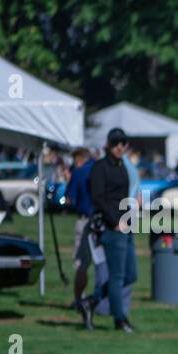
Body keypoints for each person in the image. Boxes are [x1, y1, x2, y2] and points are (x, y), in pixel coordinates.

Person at [78, 127, 138, 333]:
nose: (120, 147)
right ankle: (119, 319)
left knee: (131, 274)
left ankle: (91, 302)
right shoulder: (100, 167)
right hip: (112, 226)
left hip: (126, 224)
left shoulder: (122, 166)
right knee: (117, 276)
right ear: (109, 145)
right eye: (116, 143)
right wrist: (114, 221)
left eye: (123, 143)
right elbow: (98, 198)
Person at [65, 148, 95, 307]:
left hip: (85, 220)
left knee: (82, 263)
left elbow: (69, 199)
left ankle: (79, 300)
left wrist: (68, 179)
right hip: (105, 219)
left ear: (78, 160)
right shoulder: (100, 168)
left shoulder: (79, 172)